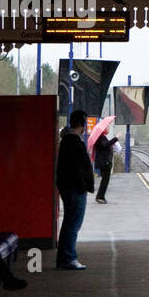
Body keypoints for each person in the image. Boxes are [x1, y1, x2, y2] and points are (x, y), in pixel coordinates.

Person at [56, 110, 95, 270]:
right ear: (82, 124)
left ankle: (64, 257)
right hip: (75, 189)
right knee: (73, 223)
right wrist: (83, 185)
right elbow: (76, 168)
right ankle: (68, 258)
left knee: (69, 222)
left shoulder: (67, 140)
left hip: (68, 187)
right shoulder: (73, 142)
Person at [94, 132, 119, 203]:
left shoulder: (102, 137)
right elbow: (106, 145)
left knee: (104, 181)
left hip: (104, 162)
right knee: (104, 181)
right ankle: (100, 197)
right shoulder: (101, 137)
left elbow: (105, 146)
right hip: (104, 163)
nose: (108, 128)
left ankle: (100, 196)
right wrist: (116, 138)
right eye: (107, 127)